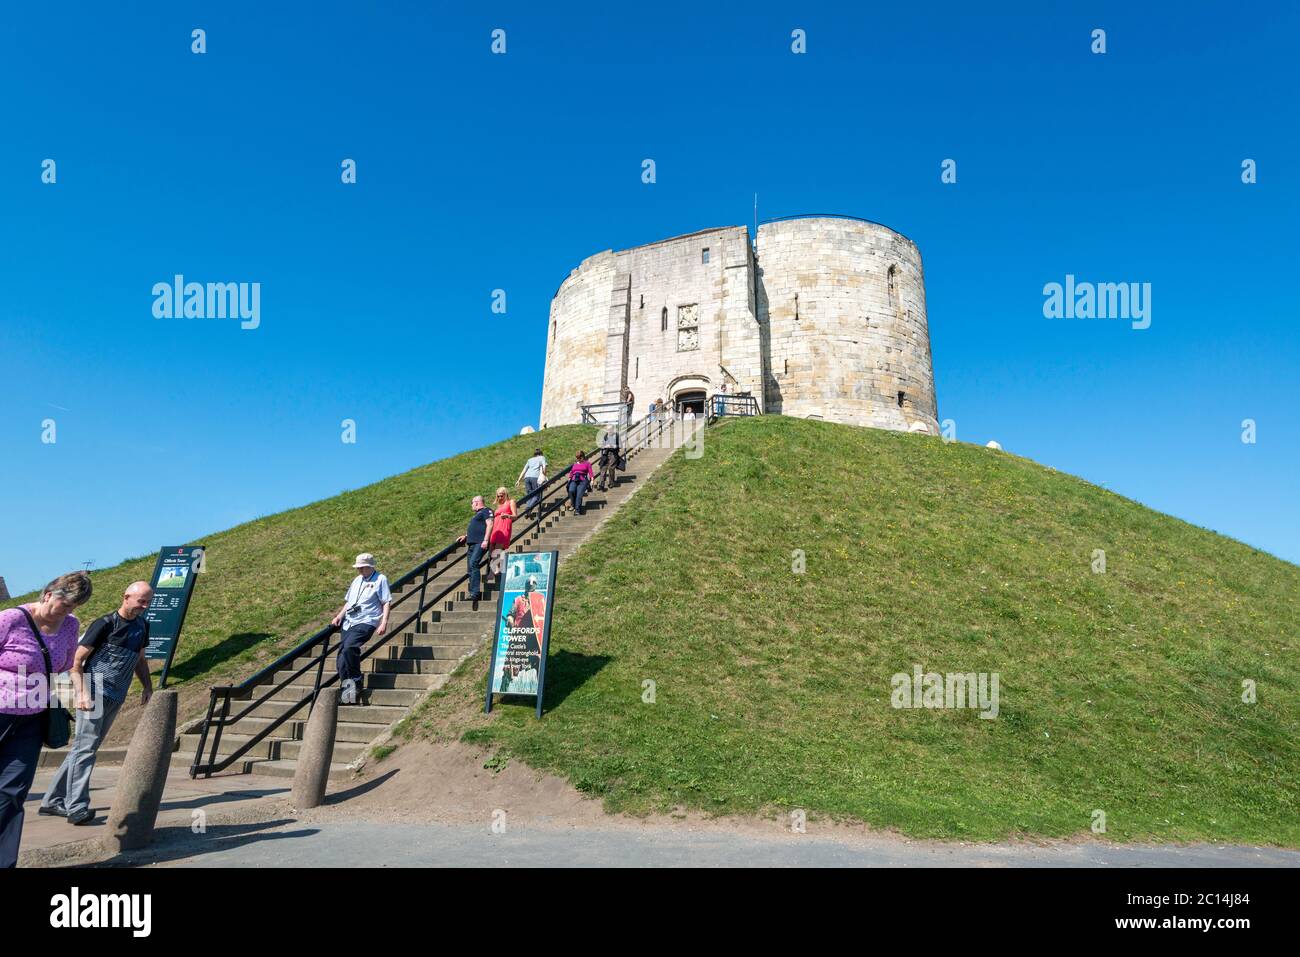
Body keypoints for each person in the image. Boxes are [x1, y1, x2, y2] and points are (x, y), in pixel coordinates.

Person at [40, 581, 154, 825]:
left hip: (117, 694)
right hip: (94, 691)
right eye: (140, 601)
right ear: (126, 597)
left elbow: (140, 660)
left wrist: (147, 686)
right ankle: (77, 806)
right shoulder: (105, 624)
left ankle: (51, 800)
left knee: (84, 748)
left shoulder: (143, 626)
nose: (144, 606)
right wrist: (82, 693)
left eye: (148, 602)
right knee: (86, 748)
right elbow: (76, 661)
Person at [1, 571, 92, 868]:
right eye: (64, 604)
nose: (67, 612)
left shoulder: (71, 625)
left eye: (74, 607)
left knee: (13, 792)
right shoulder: (11, 619)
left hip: (33, 717)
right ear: (48, 594)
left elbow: (65, 663)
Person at [329, 554, 391, 705]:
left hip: (367, 621)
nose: (359, 571)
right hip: (349, 622)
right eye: (358, 568)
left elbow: (386, 602)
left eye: (362, 568)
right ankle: (348, 693)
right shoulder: (357, 580)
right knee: (342, 658)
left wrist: (383, 622)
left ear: (370, 566)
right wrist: (339, 616)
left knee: (350, 648)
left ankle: (356, 680)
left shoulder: (380, 579)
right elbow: (349, 603)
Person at [457, 496, 494, 602]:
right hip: (472, 544)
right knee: (470, 568)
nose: (471, 505)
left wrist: (486, 540)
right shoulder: (477, 514)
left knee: (473, 563)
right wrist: (466, 536)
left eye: (472, 503)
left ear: (477, 502)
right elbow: (476, 527)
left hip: (480, 542)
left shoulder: (487, 510)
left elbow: (490, 524)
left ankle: (475, 593)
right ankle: (472, 592)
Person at [486, 487, 517, 585]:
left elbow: (515, 516)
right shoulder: (499, 505)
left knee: (497, 550)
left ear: (506, 494)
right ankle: (499, 568)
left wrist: (507, 516)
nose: (500, 497)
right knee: (491, 549)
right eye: (498, 495)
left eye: (501, 495)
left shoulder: (511, 502)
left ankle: (492, 572)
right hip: (496, 527)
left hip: (504, 526)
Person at [515, 448, 547, 517]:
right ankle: (528, 508)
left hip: (526, 478)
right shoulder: (542, 458)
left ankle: (528, 511)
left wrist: (518, 480)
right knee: (537, 496)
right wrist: (544, 475)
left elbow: (524, 470)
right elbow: (544, 467)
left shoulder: (530, 460)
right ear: (541, 453)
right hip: (535, 477)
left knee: (529, 495)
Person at [567, 451, 594, 515]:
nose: (578, 459)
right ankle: (573, 505)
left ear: (582, 457)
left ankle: (577, 510)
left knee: (579, 495)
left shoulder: (587, 463)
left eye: (579, 458)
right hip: (574, 480)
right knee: (571, 490)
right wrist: (569, 478)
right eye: (577, 458)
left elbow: (590, 472)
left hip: (582, 480)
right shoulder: (575, 464)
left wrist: (592, 480)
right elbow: (571, 472)